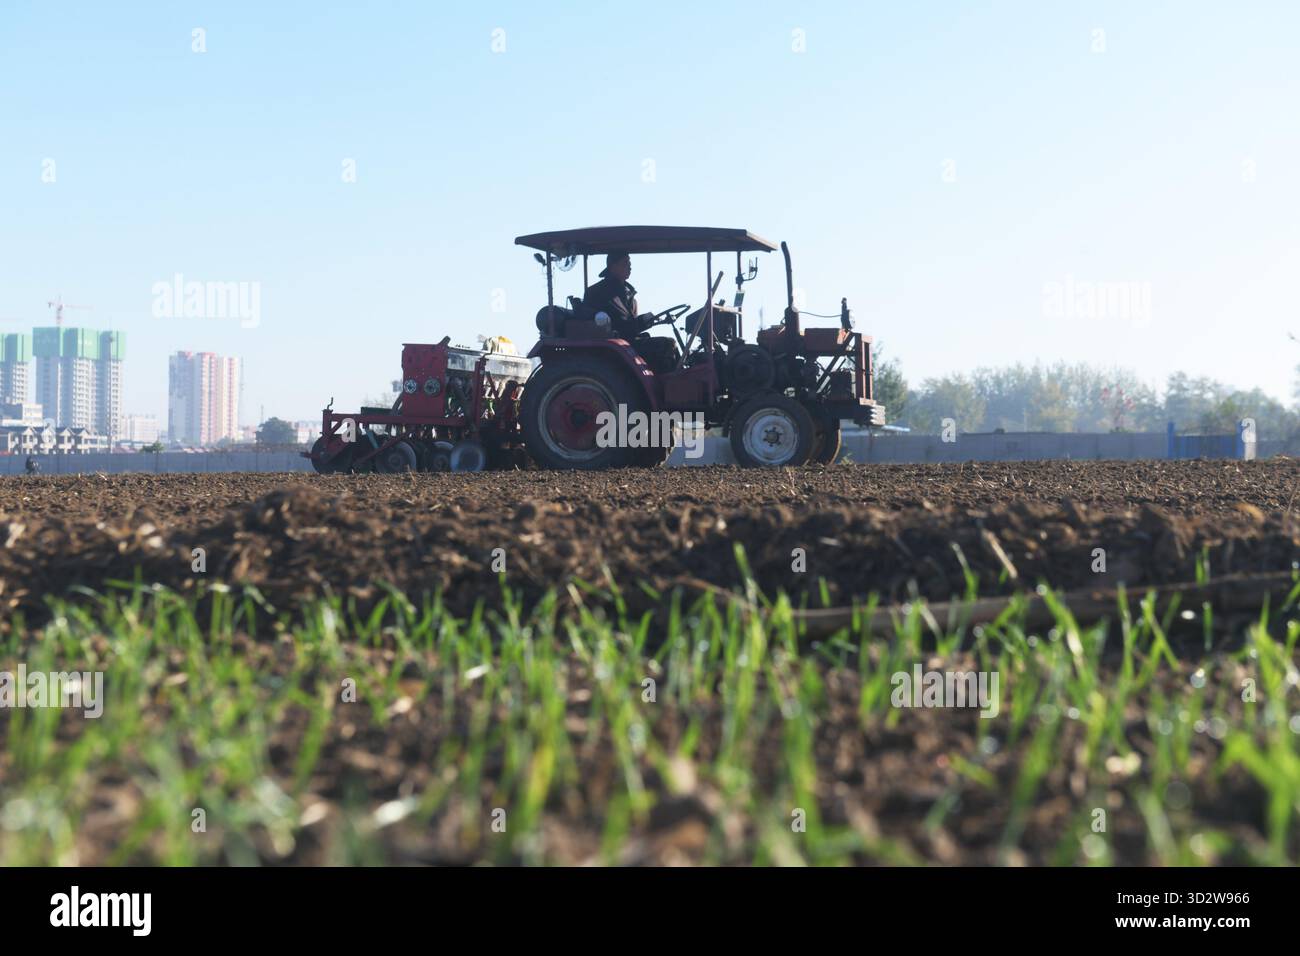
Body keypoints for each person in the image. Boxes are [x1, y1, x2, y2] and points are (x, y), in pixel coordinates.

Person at [583, 252, 655, 340]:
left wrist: (645, 320)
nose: (630, 267)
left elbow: (631, 327)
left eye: (629, 264)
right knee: (667, 343)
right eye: (625, 263)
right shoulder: (596, 292)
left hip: (628, 342)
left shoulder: (630, 295)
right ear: (613, 266)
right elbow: (600, 325)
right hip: (611, 346)